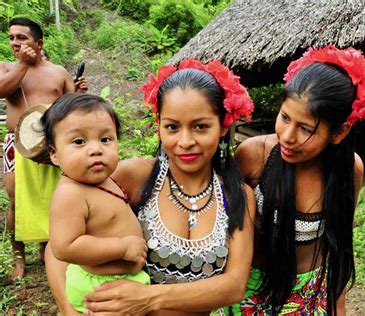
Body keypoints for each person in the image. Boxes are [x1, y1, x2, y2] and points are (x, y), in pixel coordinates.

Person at [45, 58, 256, 315]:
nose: (185, 141)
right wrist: (69, 310)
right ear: (158, 126)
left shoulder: (237, 195)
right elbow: (58, 248)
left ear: (222, 127)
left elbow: (234, 286)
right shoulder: (134, 177)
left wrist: (148, 298)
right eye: (172, 127)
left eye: (201, 127)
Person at [224, 45, 365, 315]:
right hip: (249, 293)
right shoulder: (255, 154)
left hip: (309, 297)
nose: (287, 136)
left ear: (339, 132)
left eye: (305, 129)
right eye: (285, 117)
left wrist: (337, 308)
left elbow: (338, 247)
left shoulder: (349, 169)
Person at [40, 93, 150, 313]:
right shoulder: (70, 194)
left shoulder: (106, 180)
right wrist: (122, 247)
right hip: (100, 289)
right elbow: (65, 246)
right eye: (79, 142)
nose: (96, 149)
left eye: (105, 139)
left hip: (120, 281)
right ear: (54, 154)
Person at [0, 18, 76, 280]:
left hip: (53, 144)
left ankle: (49, 250)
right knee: (15, 200)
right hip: (16, 144)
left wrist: (78, 91)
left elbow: (71, 107)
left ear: (39, 43)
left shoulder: (58, 72)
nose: (15, 43)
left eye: (22, 38)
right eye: (11, 38)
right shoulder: (6, 68)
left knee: (57, 197)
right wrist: (22, 65)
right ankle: (18, 258)